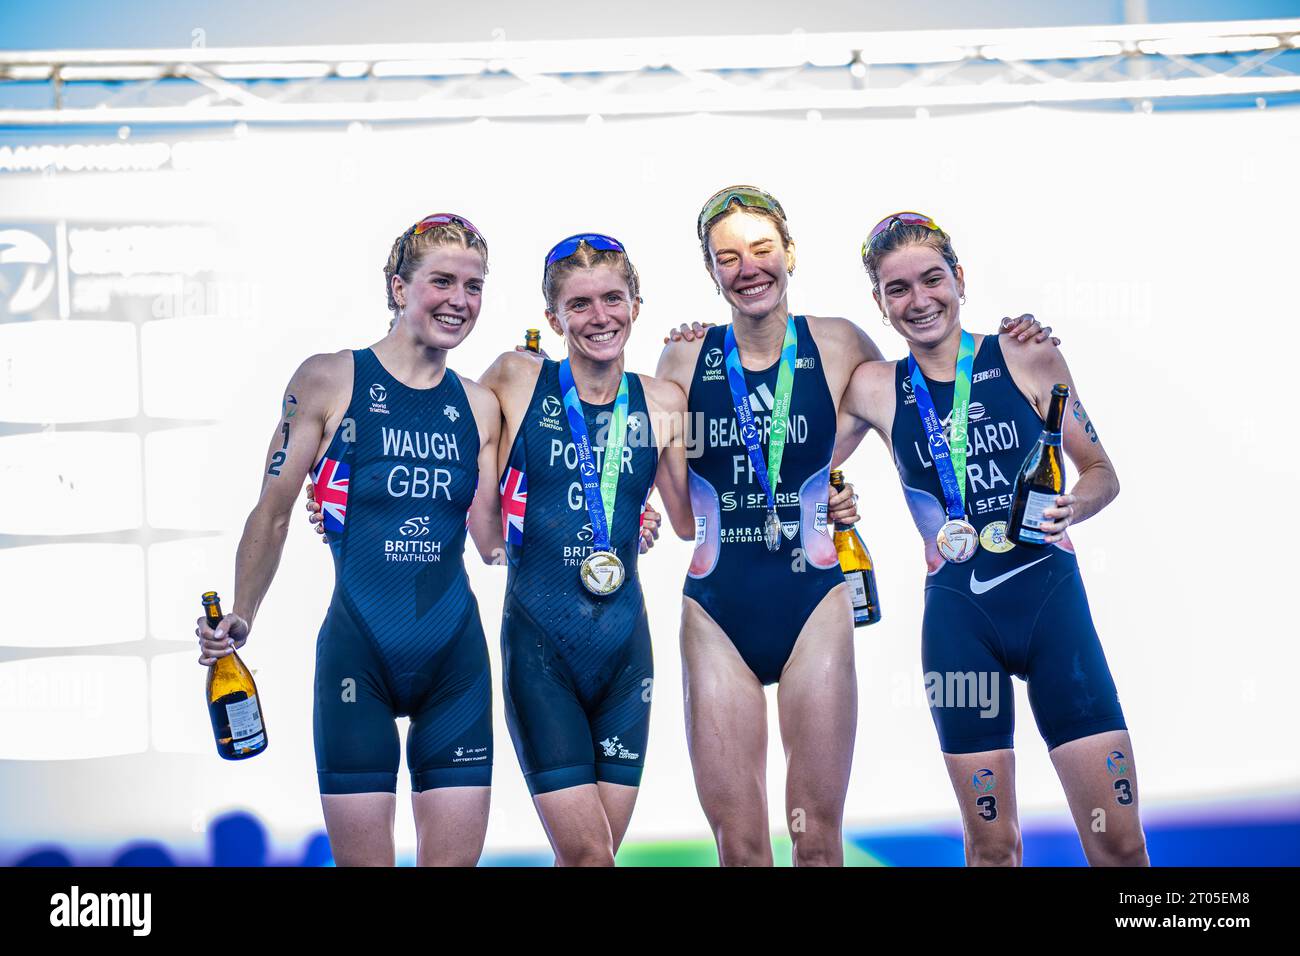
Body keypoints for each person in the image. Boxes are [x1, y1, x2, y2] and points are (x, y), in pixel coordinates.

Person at [657, 186, 1050, 866]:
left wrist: (1017, 342)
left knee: (817, 843)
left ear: (790, 253)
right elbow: (683, 514)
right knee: (741, 848)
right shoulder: (683, 360)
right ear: (710, 270)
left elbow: (921, 391)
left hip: (815, 602)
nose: (748, 268)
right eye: (727, 258)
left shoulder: (839, 343)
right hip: (717, 611)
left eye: (761, 250)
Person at [834, 211, 1148, 866]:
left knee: (1118, 844)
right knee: (992, 846)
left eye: (932, 279)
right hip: (960, 625)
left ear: (960, 279)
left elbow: (1102, 473)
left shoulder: (1026, 352)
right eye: (898, 289)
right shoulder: (873, 385)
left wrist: (1071, 506)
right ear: (879, 303)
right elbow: (793, 458)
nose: (920, 301)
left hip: (1052, 609)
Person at [197, 214, 505, 866]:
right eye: (441, 281)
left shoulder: (479, 407)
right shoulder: (329, 380)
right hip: (356, 661)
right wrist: (243, 613)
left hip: (456, 665)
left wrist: (618, 524)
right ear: (398, 287)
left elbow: (493, 543)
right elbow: (273, 511)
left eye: (473, 286)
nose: (459, 300)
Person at [474, 233, 694, 865]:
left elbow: (684, 518)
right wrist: (344, 491)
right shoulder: (517, 379)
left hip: (627, 654)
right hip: (540, 645)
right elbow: (450, 441)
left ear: (636, 304)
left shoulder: (663, 401)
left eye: (613, 299)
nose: (600, 317)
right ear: (553, 317)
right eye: (580, 304)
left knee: (594, 859)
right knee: (590, 856)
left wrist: (825, 503)